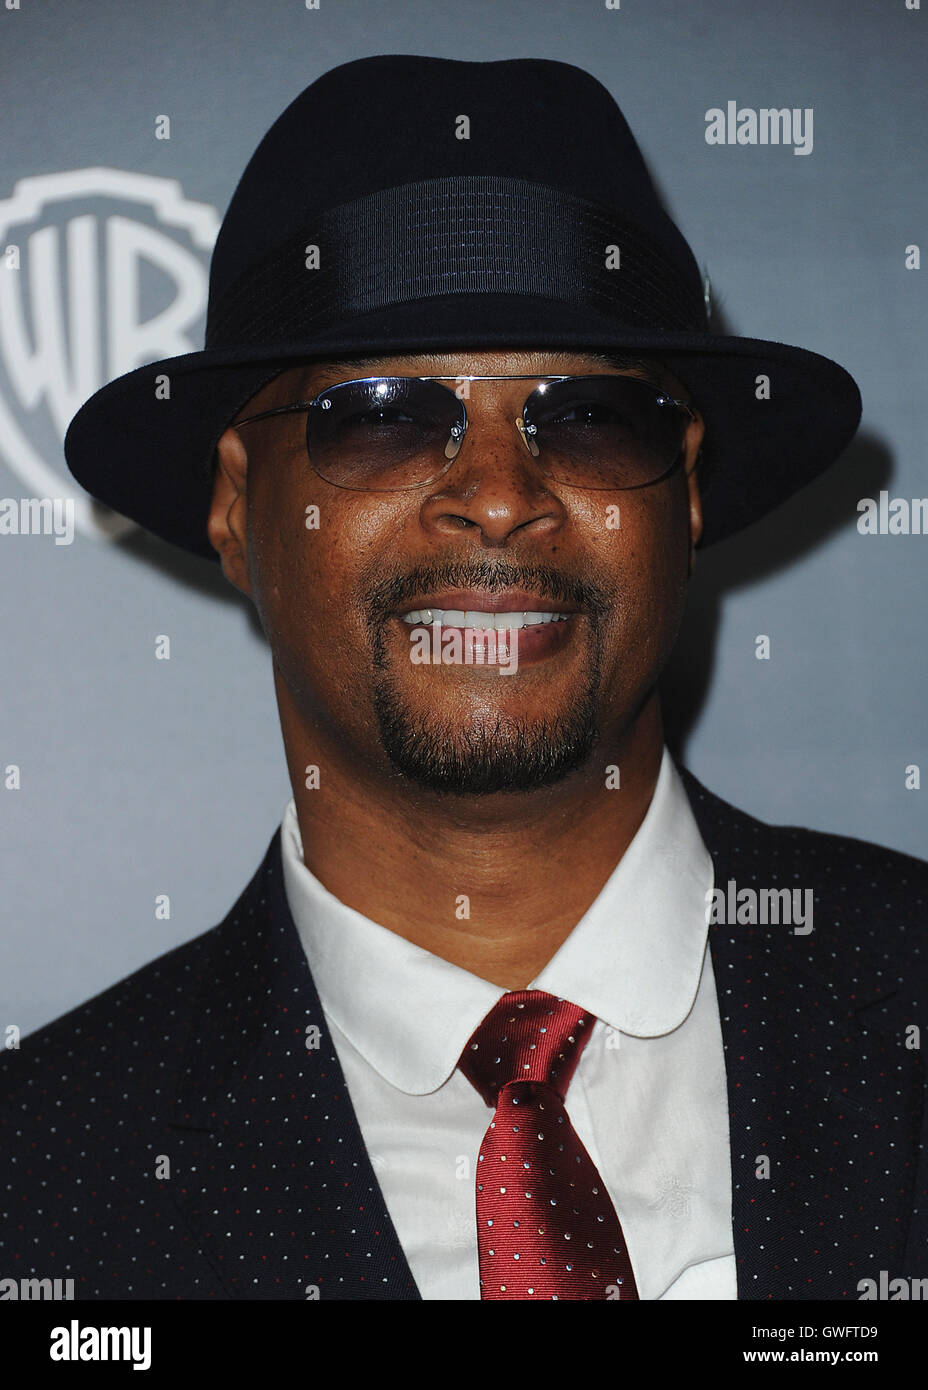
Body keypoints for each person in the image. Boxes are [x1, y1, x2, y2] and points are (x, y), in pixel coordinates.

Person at [2, 54, 925, 1303]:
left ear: (688, 487)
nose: (496, 495)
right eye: (381, 415)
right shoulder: (42, 1183)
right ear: (236, 502)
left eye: (591, 415)